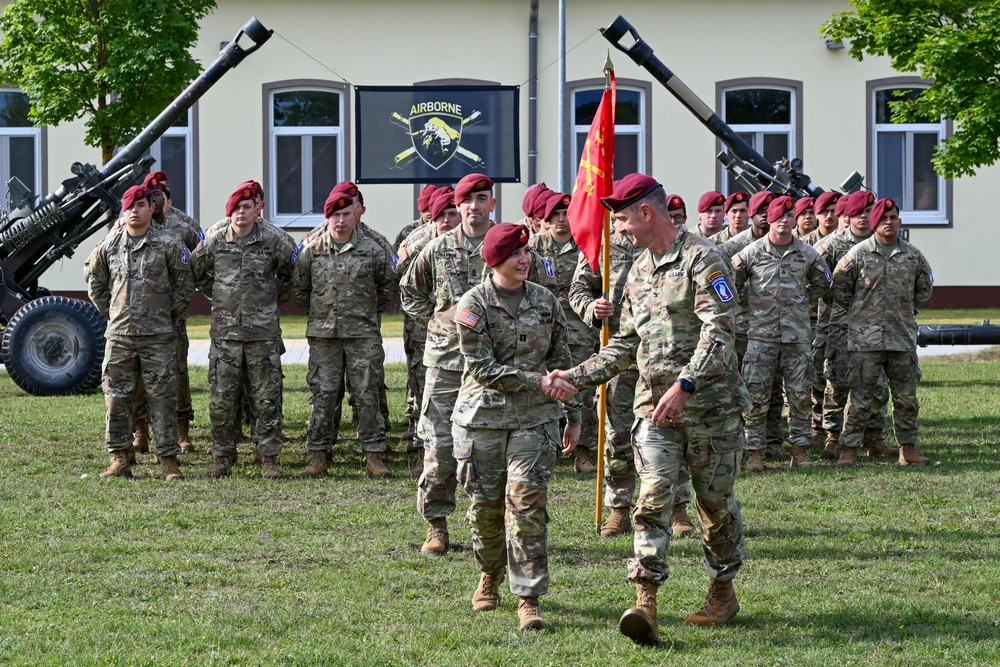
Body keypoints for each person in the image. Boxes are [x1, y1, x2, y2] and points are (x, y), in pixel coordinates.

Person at [553, 174, 750, 644]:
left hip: (711, 411)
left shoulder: (705, 258)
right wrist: (573, 378)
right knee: (652, 499)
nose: (617, 230)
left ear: (646, 213)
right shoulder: (636, 271)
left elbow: (721, 329)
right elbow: (623, 344)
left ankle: (722, 591)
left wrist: (687, 383)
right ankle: (645, 602)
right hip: (652, 412)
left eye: (621, 219)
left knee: (714, 505)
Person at [453, 222, 581, 631]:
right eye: (513, 255)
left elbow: (563, 363)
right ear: (495, 261)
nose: (523, 260)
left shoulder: (546, 301)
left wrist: (573, 415)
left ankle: (529, 597)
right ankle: (489, 575)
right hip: (483, 420)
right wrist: (537, 381)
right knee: (486, 507)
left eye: (525, 253)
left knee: (526, 506)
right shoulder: (472, 305)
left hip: (535, 419)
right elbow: (483, 368)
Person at [400, 173, 500, 555]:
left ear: (493, 203)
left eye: (482, 198)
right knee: (439, 447)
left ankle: (490, 525)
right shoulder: (437, 247)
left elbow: (531, 290)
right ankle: (437, 525)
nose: (474, 206)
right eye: (467, 200)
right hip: (445, 363)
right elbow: (411, 290)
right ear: (457, 207)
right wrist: (438, 320)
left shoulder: (505, 245)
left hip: (491, 366)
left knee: (488, 450)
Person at [86, 185, 194, 480]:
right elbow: (95, 282)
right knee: (117, 398)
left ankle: (168, 460)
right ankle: (119, 458)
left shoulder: (170, 243)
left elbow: (185, 287)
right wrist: (114, 313)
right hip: (120, 336)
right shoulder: (109, 245)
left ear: (151, 208)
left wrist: (166, 316)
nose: (135, 210)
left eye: (141, 204)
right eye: (130, 205)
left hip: (157, 336)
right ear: (124, 209)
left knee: (163, 397)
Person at [192, 183, 295, 479]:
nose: (241, 213)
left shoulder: (274, 239)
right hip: (225, 336)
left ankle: (268, 458)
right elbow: (197, 269)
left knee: (267, 399)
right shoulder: (215, 239)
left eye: (247, 207)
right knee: (222, 399)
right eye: (236, 208)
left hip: (262, 335)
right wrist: (219, 295)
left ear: (257, 209)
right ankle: (223, 456)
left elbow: (291, 271)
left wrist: (271, 299)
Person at [293, 188, 398, 478]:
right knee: (324, 395)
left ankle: (374, 454)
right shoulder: (311, 251)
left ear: (356, 213)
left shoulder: (374, 249)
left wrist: (364, 314)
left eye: (346, 213)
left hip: (362, 335)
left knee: (367, 394)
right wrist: (321, 316)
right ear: (327, 217)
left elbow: (387, 287)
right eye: (335, 215)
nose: (341, 220)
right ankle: (318, 454)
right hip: (324, 337)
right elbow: (301, 290)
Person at [832, 197, 934, 466]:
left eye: (894, 218)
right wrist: (862, 313)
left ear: (900, 221)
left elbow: (924, 290)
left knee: (906, 399)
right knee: (860, 400)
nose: (889, 222)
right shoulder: (858, 254)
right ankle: (849, 450)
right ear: (875, 222)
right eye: (884, 218)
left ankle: (907, 449)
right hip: (866, 340)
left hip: (901, 338)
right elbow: (840, 289)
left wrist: (900, 307)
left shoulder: (912, 254)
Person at [731, 196, 831, 469]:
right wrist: (751, 303)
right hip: (760, 337)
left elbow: (823, 284)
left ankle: (799, 452)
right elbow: (732, 284)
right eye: (779, 217)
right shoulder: (751, 253)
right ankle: (755, 453)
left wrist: (801, 301)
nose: (784, 221)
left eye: (790, 216)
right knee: (756, 396)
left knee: (799, 395)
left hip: (796, 337)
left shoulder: (807, 253)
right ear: (770, 220)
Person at [815, 190, 894, 464]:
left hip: (877, 326)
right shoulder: (832, 246)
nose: (862, 216)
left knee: (876, 383)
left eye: (867, 211)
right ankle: (833, 437)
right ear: (846, 216)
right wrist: (841, 306)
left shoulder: (884, 243)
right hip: (841, 325)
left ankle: (874, 437)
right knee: (837, 381)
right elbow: (818, 282)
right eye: (857, 212)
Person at [127, 171, 201, 457]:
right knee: (138, 379)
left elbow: (198, 265)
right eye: (150, 194)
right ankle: (140, 430)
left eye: (159, 194)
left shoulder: (182, 228)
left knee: (177, 375)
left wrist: (175, 311)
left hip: (172, 320)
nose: (154, 198)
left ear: (162, 200)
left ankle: (182, 430)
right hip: (136, 321)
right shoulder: (126, 228)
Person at [529, 191, 600, 474]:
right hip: (541, 332)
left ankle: (584, 451)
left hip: (579, 333)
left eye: (566, 214)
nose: (561, 219)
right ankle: (546, 448)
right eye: (555, 214)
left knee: (582, 389)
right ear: (545, 218)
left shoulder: (587, 247)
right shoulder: (533, 248)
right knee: (544, 389)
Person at [720, 191, 789, 469]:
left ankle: (773, 442)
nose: (763, 214)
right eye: (759, 210)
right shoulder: (734, 247)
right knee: (741, 388)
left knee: (773, 389)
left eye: (768, 210)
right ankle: (741, 442)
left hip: (771, 328)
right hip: (740, 328)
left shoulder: (784, 244)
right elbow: (721, 286)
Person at [395, 186, 460, 478]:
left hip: (473, 335)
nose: (446, 219)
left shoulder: (479, 242)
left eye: (451, 213)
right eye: (440, 215)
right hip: (429, 332)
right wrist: (433, 321)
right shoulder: (419, 243)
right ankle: (426, 452)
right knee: (427, 392)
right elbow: (405, 287)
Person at [394, 184, 438, 460]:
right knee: (419, 378)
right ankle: (418, 438)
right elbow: (397, 277)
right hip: (420, 324)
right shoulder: (412, 237)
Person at [802, 191, 842, 446]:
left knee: (836, 375)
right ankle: (815, 428)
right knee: (814, 375)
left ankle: (837, 430)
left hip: (836, 319)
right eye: (824, 211)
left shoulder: (847, 243)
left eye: (833, 210)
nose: (829, 215)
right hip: (809, 319)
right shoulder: (806, 245)